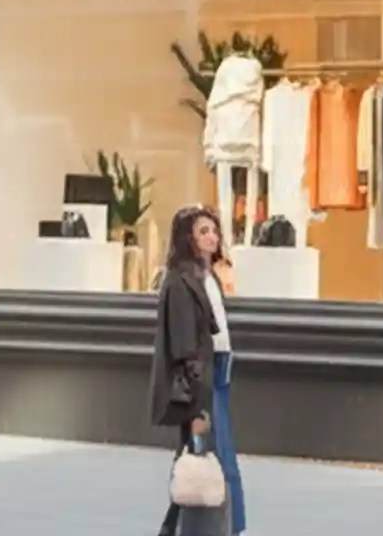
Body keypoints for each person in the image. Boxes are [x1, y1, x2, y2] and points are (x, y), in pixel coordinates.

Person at [150, 205, 247, 536]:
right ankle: (225, 529)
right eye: (203, 232)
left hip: (218, 372)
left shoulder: (210, 277)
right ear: (187, 239)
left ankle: (189, 528)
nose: (212, 237)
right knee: (211, 459)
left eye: (214, 231)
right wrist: (195, 401)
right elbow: (183, 345)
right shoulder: (179, 282)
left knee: (202, 457)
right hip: (201, 379)